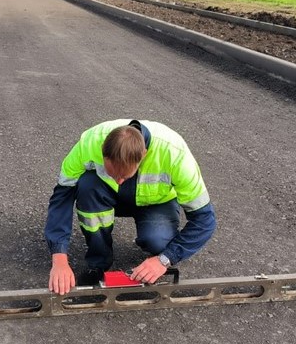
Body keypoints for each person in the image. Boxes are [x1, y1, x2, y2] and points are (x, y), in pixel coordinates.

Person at [45, 119, 217, 294]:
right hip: (106, 196)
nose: (119, 182)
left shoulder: (175, 154)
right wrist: (59, 258)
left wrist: (164, 259)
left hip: (155, 202)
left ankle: (154, 252)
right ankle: (98, 261)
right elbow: (61, 199)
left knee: (158, 242)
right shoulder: (89, 143)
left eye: (125, 177)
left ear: (144, 155)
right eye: (112, 174)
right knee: (87, 185)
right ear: (102, 150)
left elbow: (205, 220)